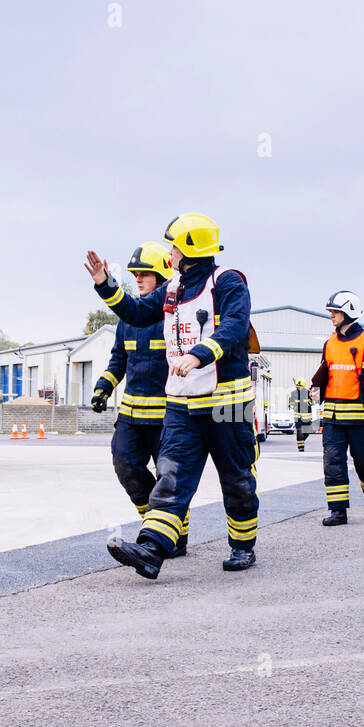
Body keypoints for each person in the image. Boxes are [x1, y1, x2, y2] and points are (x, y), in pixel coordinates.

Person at [84, 212, 259, 578]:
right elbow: (135, 311)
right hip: (181, 404)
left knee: (236, 477)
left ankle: (242, 546)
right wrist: (105, 283)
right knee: (170, 478)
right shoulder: (174, 288)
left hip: (227, 404)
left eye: (174, 246)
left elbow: (234, 326)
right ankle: (151, 550)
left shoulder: (227, 282)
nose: (170, 253)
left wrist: (200, 354)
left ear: (190, 249)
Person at [90, 242, 189, 555]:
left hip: (167, 417)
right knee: (126, 465)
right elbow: (119, 358)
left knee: (169, 477)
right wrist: (103, 387)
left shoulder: (173, 319)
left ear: (161, 276)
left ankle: (174, 536)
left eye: (145, 273)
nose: (139, 279)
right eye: (135, 274)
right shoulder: (128, 320)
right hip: (132, 416)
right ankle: (156, 529)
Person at [312, 290, 364, 526]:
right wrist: (317, 388)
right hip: (333, 418)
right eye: (331, 312)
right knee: (332, 463)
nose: (331, 316)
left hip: (360, 418)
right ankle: (338, 511)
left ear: (348, 312)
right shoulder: (330, 343)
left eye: (335, 312)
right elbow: (328, 372)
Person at [288, 377, 314, 451]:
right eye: (298, 386)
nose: (299, 388)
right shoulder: (293, 393)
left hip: (307, 418)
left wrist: (306, 402)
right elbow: (291, 404)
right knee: (299, 432)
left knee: (307, 432)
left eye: (300, 386)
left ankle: (302, 440)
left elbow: (313, 402)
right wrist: (294, 405)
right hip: (298, 417)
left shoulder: (309, 393)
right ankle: (301, 447)